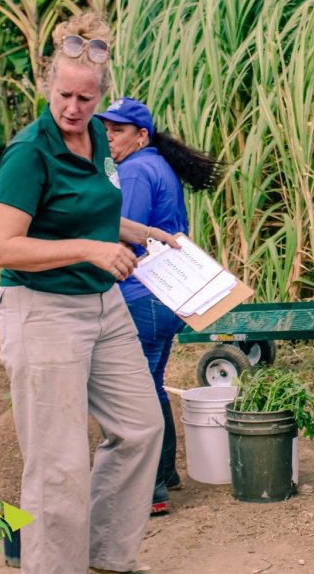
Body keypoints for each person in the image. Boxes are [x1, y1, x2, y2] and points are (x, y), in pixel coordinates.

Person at [0, 12, 174, 574]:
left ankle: (105, 558)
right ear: (49, 85)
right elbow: (4, 247)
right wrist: (89, 250)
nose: (74, 108)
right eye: (65, 95)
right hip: (43, 311)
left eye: (86, 99)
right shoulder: (30, 153)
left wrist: (139, 233)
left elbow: (90, 212)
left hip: (103, 305)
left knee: (142, 427)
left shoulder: (95, 137)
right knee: (57, 463)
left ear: (101, 97)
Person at [96, 97, 222, 517]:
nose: (109, 136)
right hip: (167, 297)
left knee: (134, 394)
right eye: (107, 128)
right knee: (151, 385)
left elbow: (124, 234)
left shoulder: (133, 171)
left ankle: (149, 490)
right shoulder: (158, 166)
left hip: (141, 294)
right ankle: (164, 474)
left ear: (141, 135)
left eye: (118, 129)